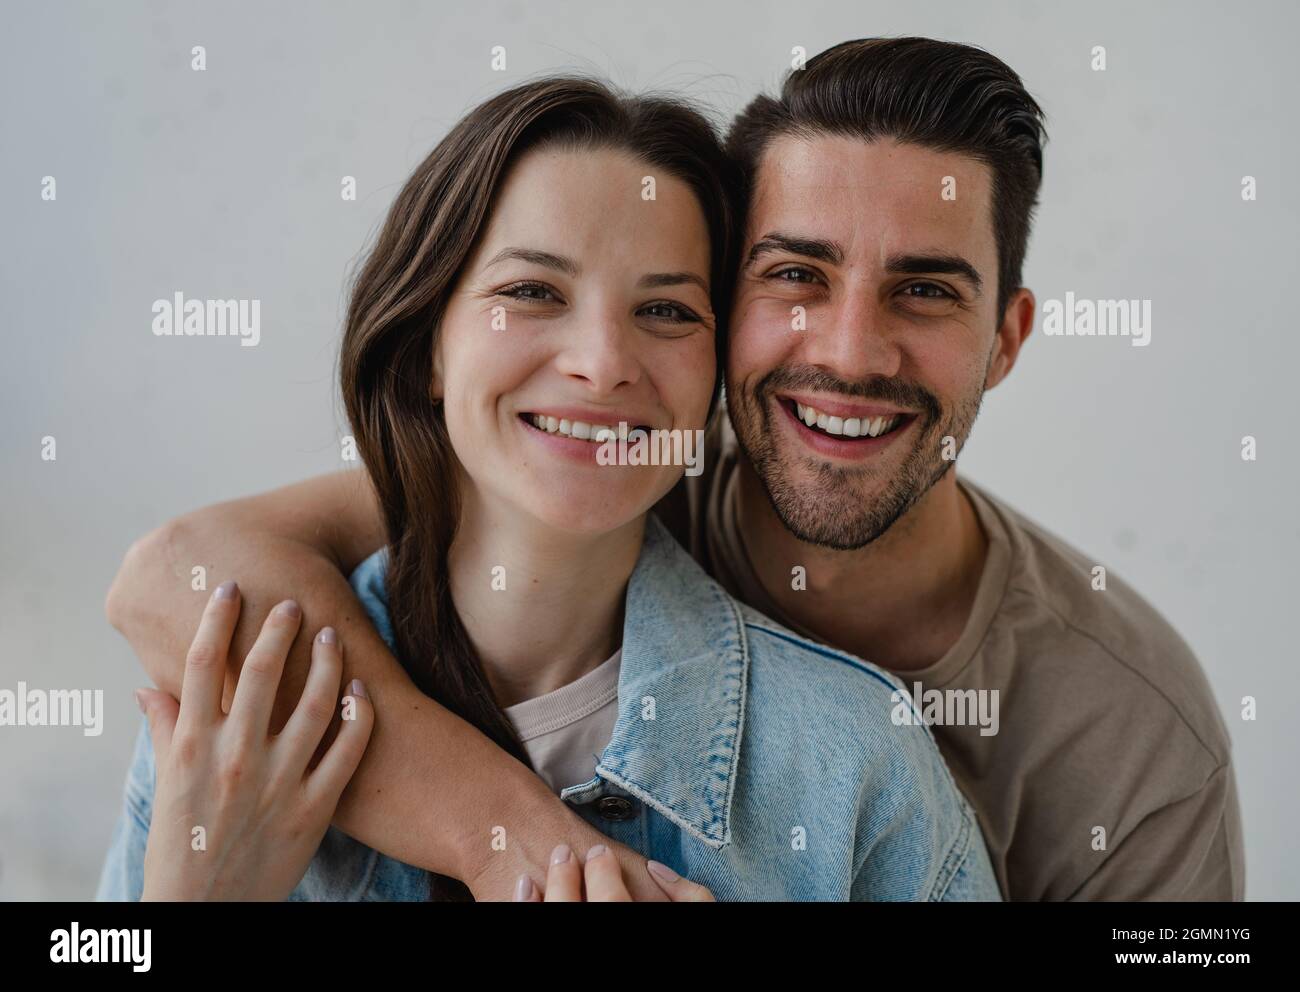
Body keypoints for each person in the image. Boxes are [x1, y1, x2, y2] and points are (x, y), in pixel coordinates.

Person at [106, 38, 1244, 901]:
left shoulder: (1127, 737)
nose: (848, 351)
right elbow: (177, 570)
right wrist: (520, 847)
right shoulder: (581, 470)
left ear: (1007, 336)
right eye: (796, 272)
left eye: (928, 289)